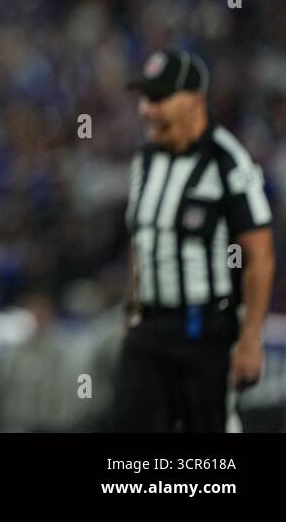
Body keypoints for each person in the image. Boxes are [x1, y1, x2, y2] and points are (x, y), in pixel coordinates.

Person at [115, 49, 275, 432]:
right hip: (149, 327)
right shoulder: (145, 161)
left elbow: (259, 256)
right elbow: (141, 240)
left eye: (158, 99)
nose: (146, 110)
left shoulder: (228, 162)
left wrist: (251, 338)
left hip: (205, 328)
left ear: (193, 101)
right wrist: (132, 304)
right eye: (144, 99)